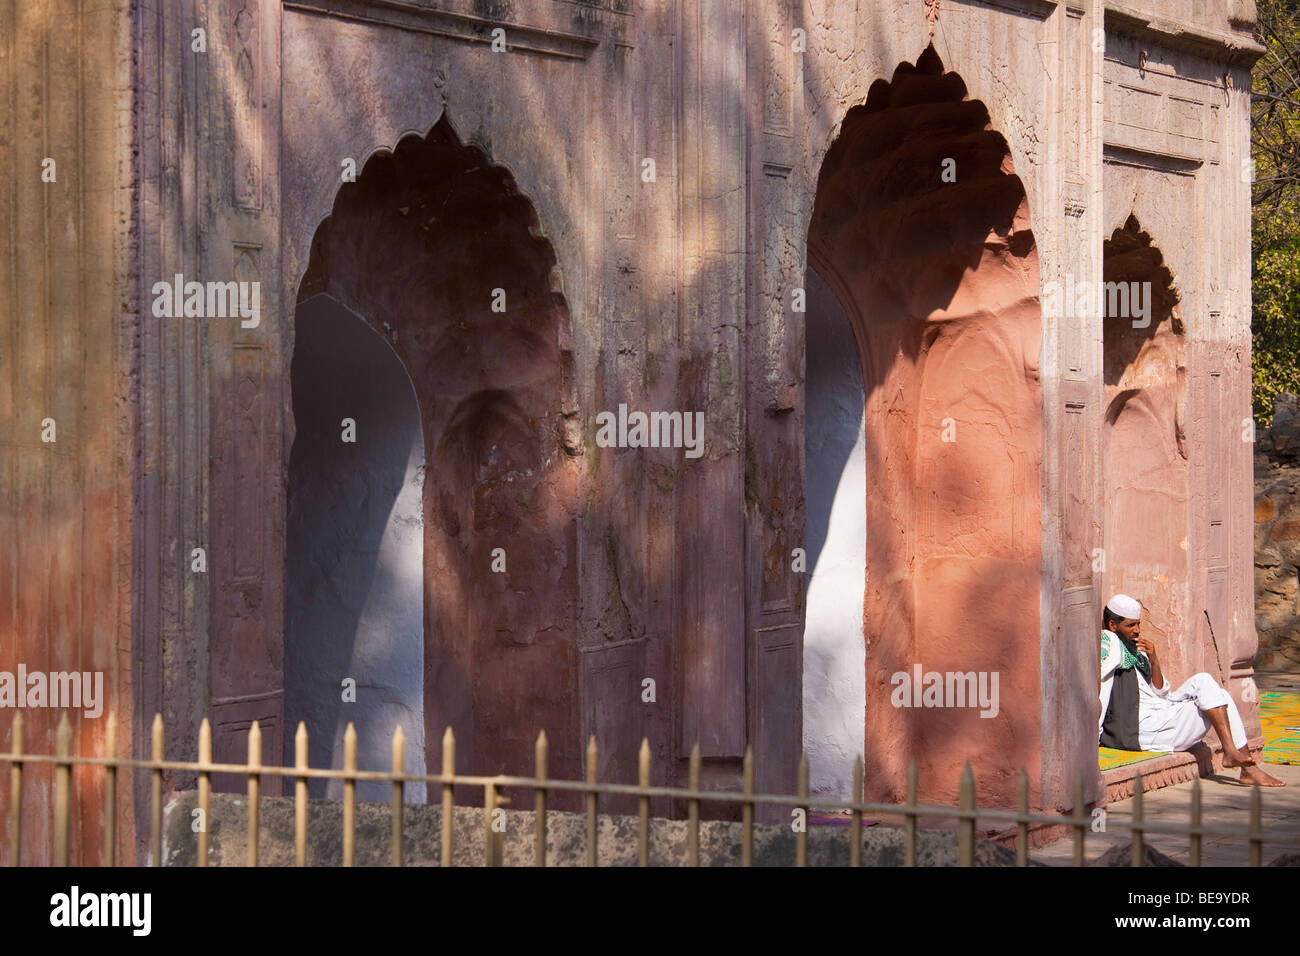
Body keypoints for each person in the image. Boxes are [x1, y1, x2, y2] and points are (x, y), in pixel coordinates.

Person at [1098, 593, 1284, 787]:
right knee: (1217, 695)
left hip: (1159, 717)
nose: (1137, 630)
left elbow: (1161, 692)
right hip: (1137, 730)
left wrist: (1154, 659)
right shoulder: (1110, 643)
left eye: (1138, 624)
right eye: (1130, 625)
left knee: (1215, 691)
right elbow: (1098, 686)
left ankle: (1239, 760)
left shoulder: (1136, 654)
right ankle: (1241, 762)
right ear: (1112, 625)